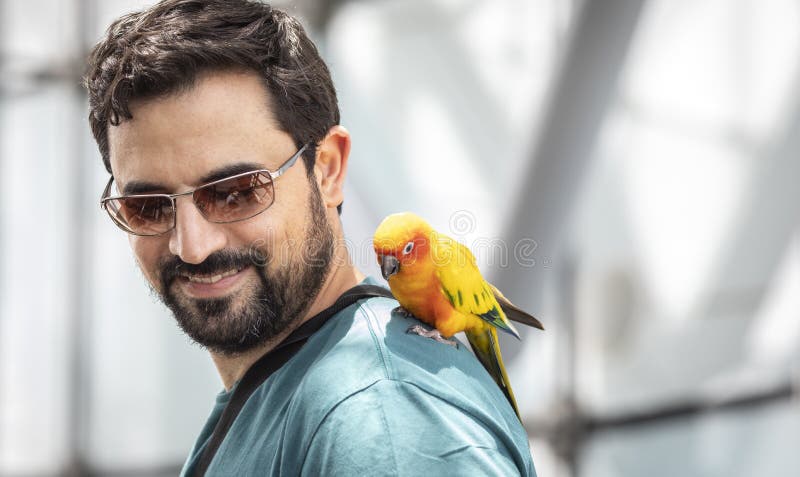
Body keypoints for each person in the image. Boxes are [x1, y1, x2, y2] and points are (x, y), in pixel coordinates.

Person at [84, 0, 537, 475]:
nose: (192, 246)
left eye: (236, 192)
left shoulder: (381, 418)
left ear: (327, 169)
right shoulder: (293, 391)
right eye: (149, 206)